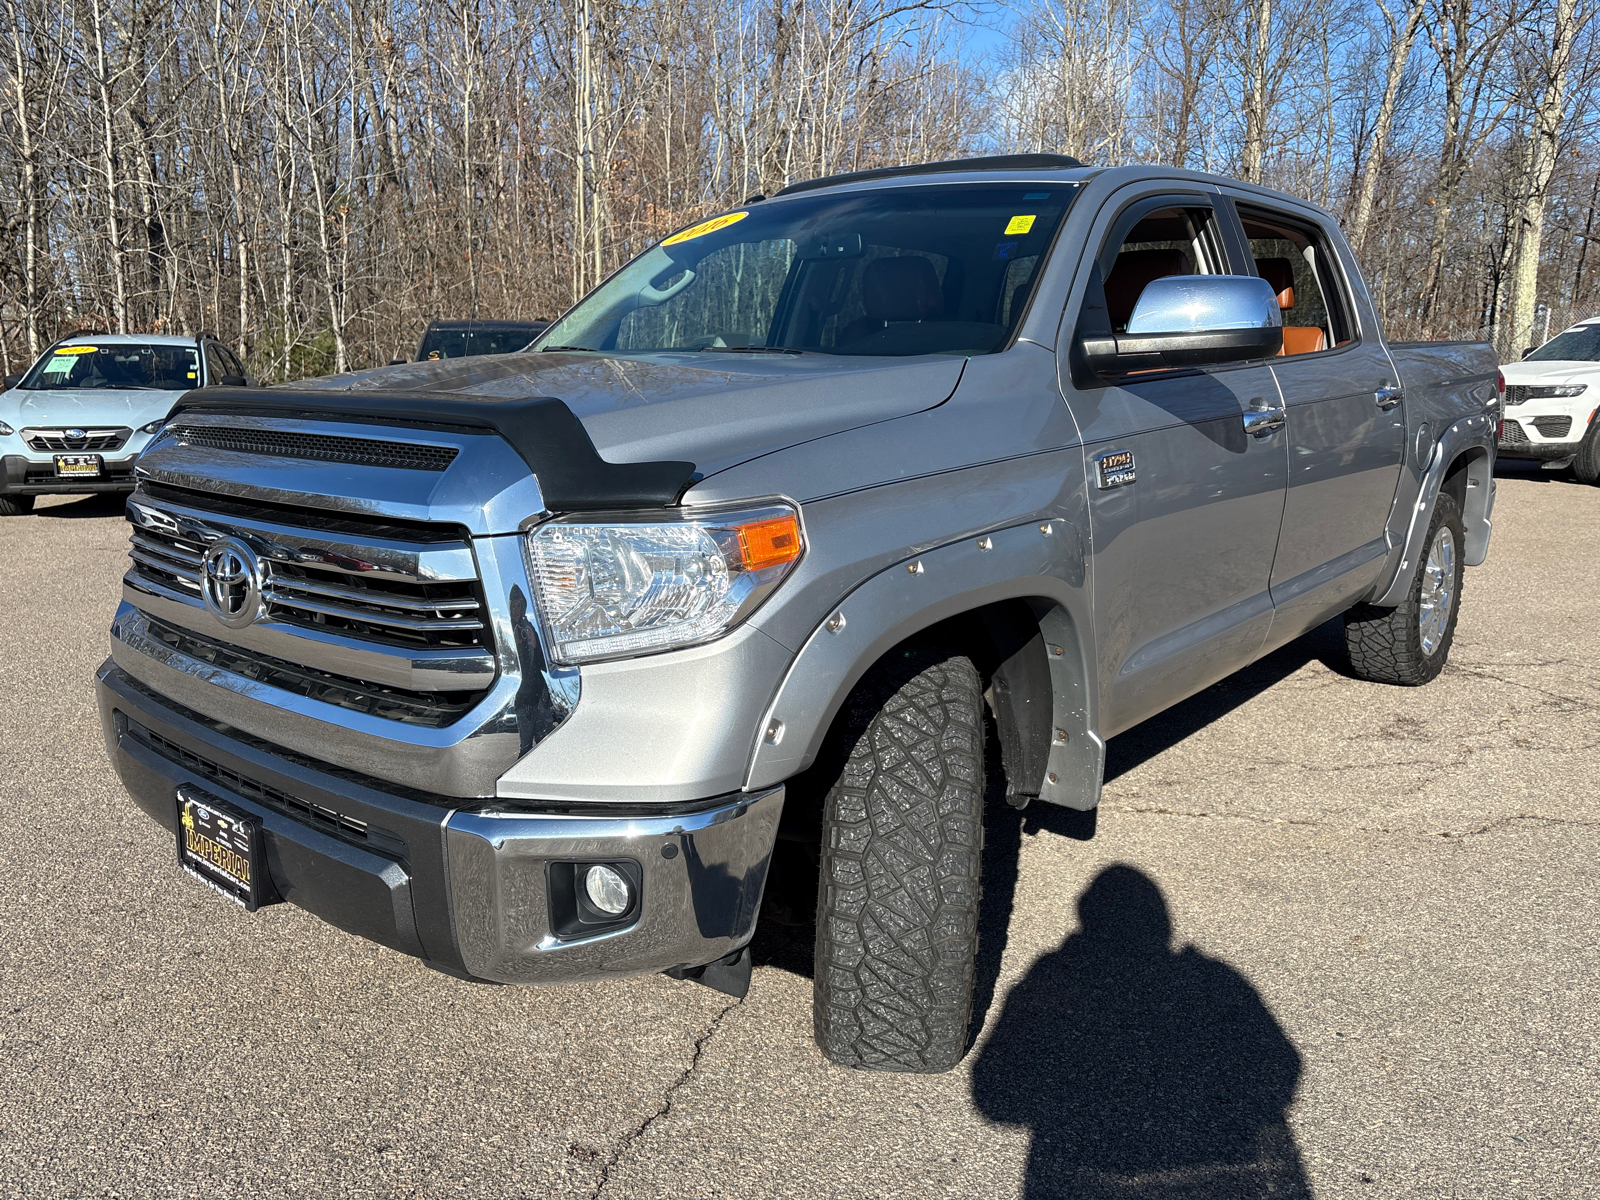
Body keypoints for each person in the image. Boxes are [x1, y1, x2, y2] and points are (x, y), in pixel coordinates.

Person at [971, 864, 1311, 1199]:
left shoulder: (1053, 981)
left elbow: (995, 1098)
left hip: (1080, 1179)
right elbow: (1280, 1070)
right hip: (1214, 1177)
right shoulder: (1214, 982)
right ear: (1162, 924)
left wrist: (1078, 1096)